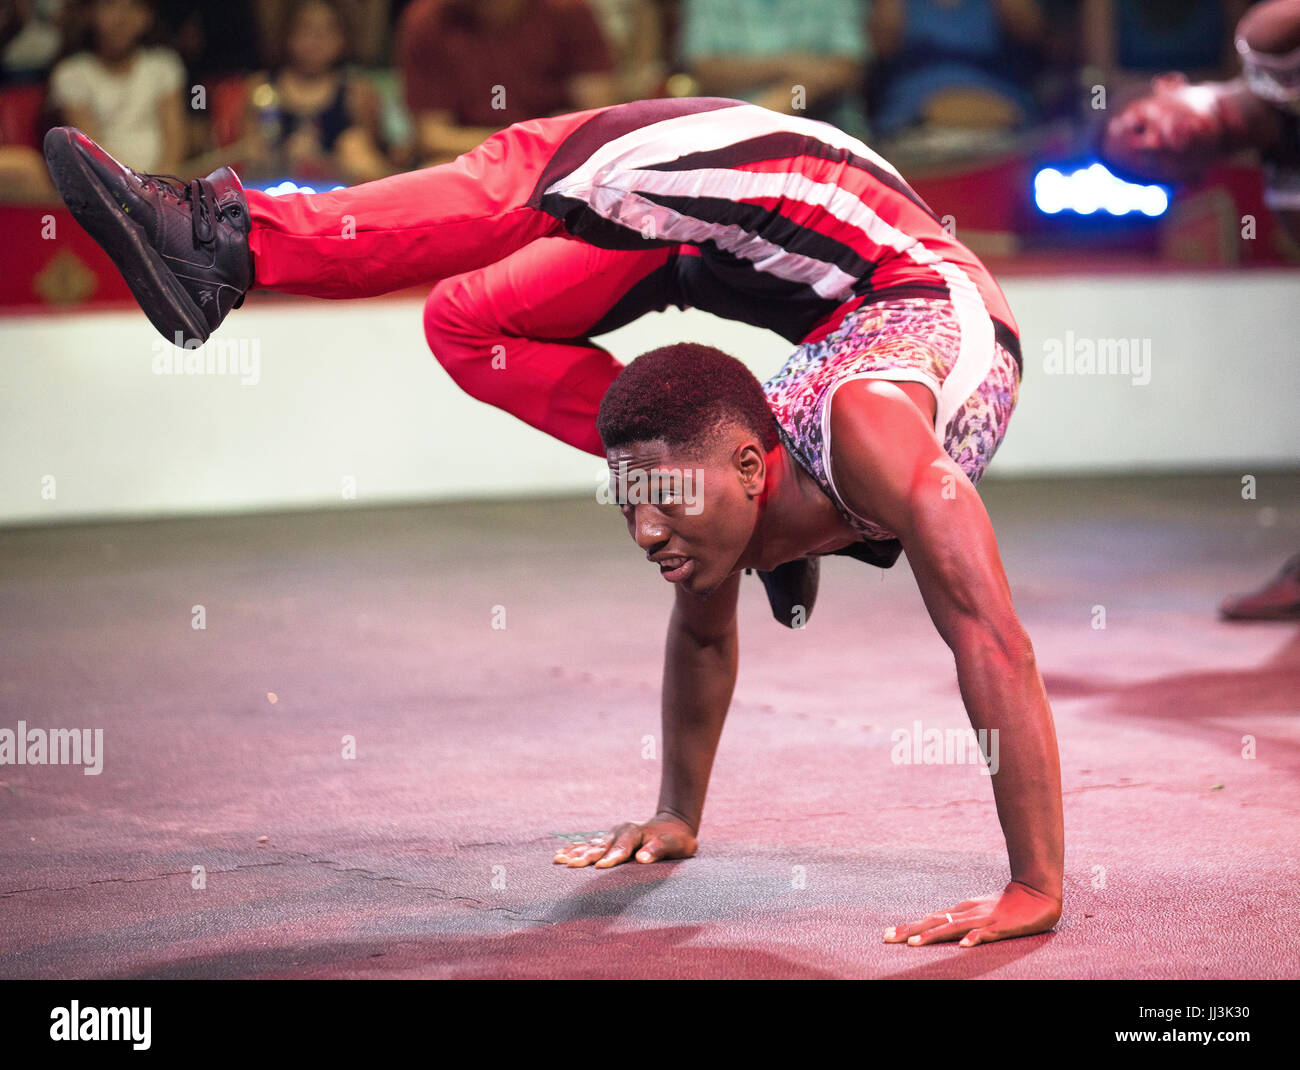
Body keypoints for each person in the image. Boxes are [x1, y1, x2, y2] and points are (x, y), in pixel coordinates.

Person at [42, 94, 1063, 947]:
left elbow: (993, 640)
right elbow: (703, 629)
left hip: (861, 240)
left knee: (542, 168)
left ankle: (226, 242)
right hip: (787, 273)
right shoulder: (750, 483)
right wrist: (677, 814)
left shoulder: (880, 438)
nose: (646, 537)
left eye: (663, 506)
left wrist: (1033, 884)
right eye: (638, 508)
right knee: (466, 322)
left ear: (756, 473)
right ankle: (226, 247)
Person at [1101, 0, 1300, 621]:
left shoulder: (1269, 47)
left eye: (1138, 126)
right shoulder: (1287, 194)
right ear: (1187, 177)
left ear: (1168, 85)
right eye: (1152, 163)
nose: (1155, 143)